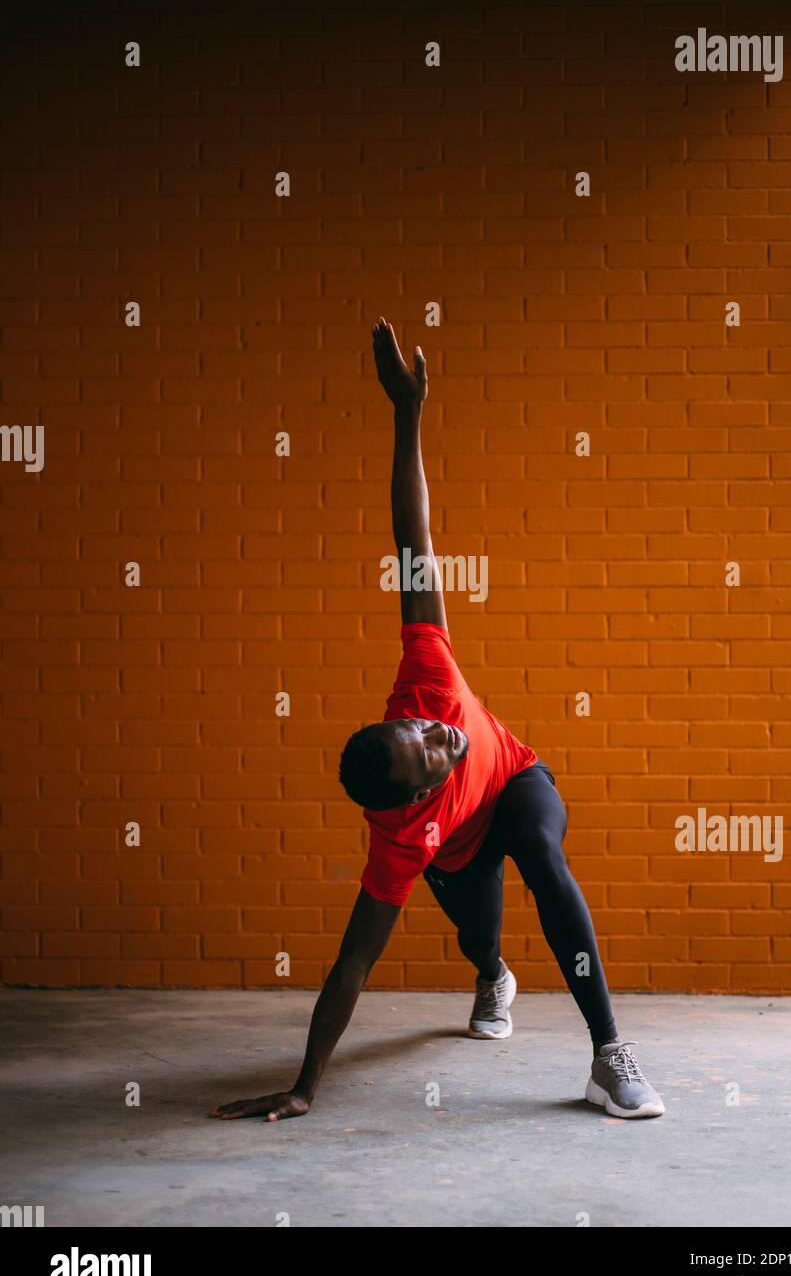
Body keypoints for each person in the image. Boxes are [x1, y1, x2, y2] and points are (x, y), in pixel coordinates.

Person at [211, 318, 664, 1124]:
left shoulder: (426, 677)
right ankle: (492, 974)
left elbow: (412, 540)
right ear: (408, 799)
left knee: (541, 848)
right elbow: (353, 963)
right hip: (458, 852)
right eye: (427, 755)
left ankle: (608, 1054)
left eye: (421, 733)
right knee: (477, 937)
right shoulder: (400, 843)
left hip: (518, 784)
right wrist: (305, 1085)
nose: (436, 736)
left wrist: (407, 413)